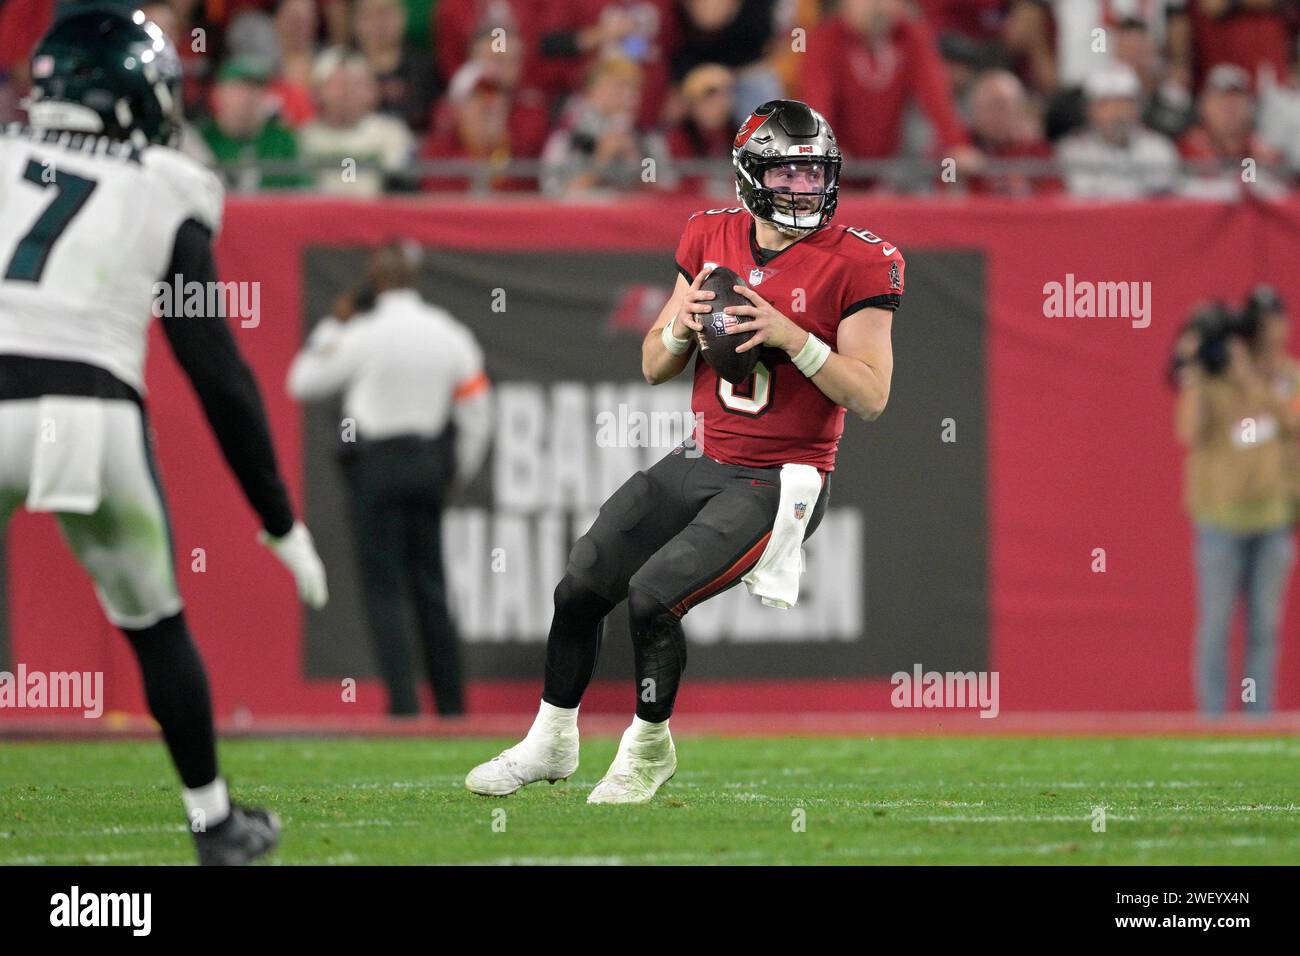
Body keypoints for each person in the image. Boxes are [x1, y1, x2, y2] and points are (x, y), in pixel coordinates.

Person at [466, 99, 902, 804]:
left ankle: (646, 749)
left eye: (812, 173)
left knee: (652, 597)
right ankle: (550, 739)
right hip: (702, 456)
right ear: (749, 176)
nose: (803, 188)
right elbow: (653, 364)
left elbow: (872, 395)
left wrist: (793, 336)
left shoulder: (860, 260)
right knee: (583, 579)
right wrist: (681, 330)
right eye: (786, 174)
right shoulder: (708, 234)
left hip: (781, 477)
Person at [0, 7, 328, 864]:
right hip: (93, 412)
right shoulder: (164, 182)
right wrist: (280, 520)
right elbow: (214, 367)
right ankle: (215, 823)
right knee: (155, 624)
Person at [287, 242, 492, 717]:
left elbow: (302, 381)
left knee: (385, 591)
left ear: (374, 280)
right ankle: (452, 707)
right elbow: (478, 413)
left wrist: (336, 322)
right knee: (432, 588)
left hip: (376, 469)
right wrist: (455, 471)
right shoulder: (447, 333)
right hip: (427, 464)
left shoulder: (362, 332)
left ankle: (403, 707)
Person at [1173, 291, 1300, 714]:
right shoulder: (1212, 380)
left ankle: (1256, 719)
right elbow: (1189, 431)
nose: (1267, 331)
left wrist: (1251, 380)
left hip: (1271, 520)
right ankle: (1212, 720)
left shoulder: (1288, 377)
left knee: (1264, 629)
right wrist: (1194, 370)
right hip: (1220, 523)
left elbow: (1292, 422)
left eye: (1272, 321)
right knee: (1216, 628)